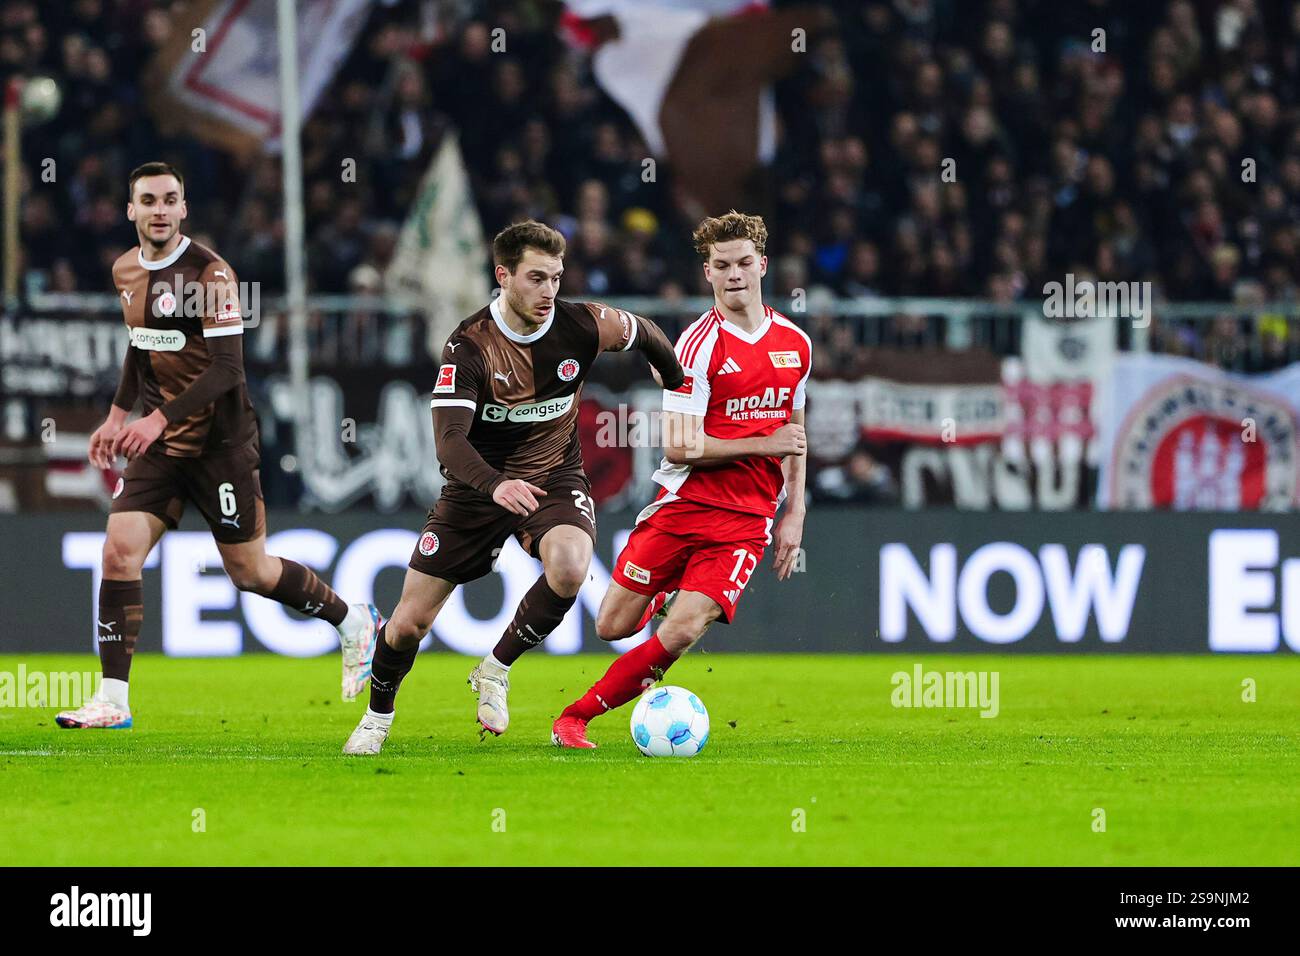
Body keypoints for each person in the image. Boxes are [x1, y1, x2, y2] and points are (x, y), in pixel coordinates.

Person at [56, 162, 380, 730]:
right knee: (117, 552)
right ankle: (112, 699)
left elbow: (228, 368)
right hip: (160, 448)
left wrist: (155, 419)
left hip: (219, 443)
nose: (159, 210)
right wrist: (114, 416)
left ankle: (351, 618)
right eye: (148, 200)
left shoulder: (211, 274)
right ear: (131, 210)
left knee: (250, 571)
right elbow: (140, 347)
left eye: (170, 200)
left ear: (184, 209)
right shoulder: (125, 270)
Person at [341, 220, 684, 755]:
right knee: (409, 624)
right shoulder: (469, 345)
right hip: (477, 485)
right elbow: (450, 443)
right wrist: (496, 484)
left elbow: (645, 332)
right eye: (536, 278)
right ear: (503, 276)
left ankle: (494, 670)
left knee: (571, 565)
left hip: (553, 476)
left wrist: (676, 380)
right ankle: (377, 718)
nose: (549, 291)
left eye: (556, 277)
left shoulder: (582, 325)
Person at [552, 211, 811, 748]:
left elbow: (796, 433)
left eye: (744, 263)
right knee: (612, 626)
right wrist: (765, 443)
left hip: (747, 517)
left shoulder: (796, 345)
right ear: (708, 274)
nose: (735, 274)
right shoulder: (694, 348)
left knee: (684, 629)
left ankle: (574, 717)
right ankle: (666, 588)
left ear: (762, 265)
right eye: (722, 265)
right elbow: (680, 446)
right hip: (684, 503)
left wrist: (795, 512)